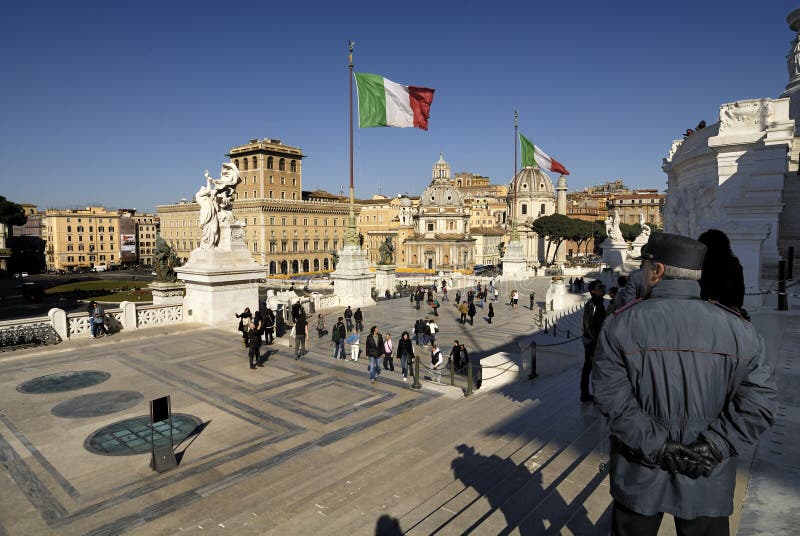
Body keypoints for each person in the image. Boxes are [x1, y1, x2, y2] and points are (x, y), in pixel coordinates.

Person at [592, 232, 776, 536]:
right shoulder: (739, 330)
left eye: (645, 265)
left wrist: (658, 447)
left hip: (640, 467)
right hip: (707, 471)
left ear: (658, 270)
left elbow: (611, 397)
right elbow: (761, 402)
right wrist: (715, 445)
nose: (641, 272)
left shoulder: (620, 325)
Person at [697, 229, 746, 315]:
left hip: (703, 312)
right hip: (729, 313)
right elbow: (738, 296)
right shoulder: (734, 265)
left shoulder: (700, 266)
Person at [580, 280, 606, 403]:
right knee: (592, 368)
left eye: (603, 286)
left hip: (592, 341)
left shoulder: (598, 303)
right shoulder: (593, 305)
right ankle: (592, 396)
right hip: (592, 342)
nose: (603, 288)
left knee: (589, 368)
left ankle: (586, 395)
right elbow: (590, 325)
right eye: (600, 287)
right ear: (593, 291)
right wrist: (598, 342)